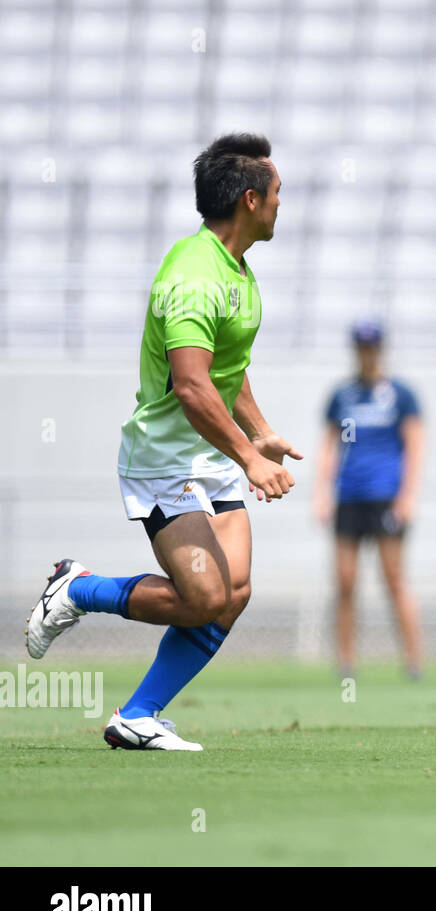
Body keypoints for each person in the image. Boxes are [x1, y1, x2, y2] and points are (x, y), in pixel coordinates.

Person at [25, 133, 298, 751]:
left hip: (213, 451)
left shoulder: (237, 270)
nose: (284, 203)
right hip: (166, 459)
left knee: (233, 594)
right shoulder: (194, 277)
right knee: (203, 597)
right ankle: (78, 588)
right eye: (278, 193)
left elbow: (226, 368)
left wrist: (260, 432)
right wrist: (249, 458)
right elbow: (193, 385)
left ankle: (137, 714)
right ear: (251, 199)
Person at [314, 321, 424, 679]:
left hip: (385, 498)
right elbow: (329, 447)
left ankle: (413, 661)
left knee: (394, 579)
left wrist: (407, 496)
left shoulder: (400, 395)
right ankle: (346, 664)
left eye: (372, 347)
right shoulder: (342, 396)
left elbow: (414, 446)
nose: (367, 353)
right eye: (362, 347)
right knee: (345, 582)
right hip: (349, 496)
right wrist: (322, 493)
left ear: (380, 350)